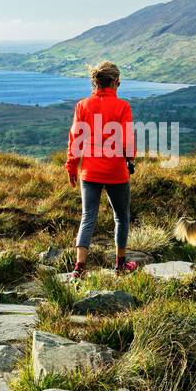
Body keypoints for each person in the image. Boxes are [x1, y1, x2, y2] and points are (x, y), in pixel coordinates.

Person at [66, 61, 137, 278]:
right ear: (116, 82)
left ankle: (79, 268)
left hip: (90, 171)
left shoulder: (82, 106)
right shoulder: (123, 106)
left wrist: (71, 166)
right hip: (116, 171)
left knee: (88, 217)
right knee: (121, 217)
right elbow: (127, 140)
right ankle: (120, 265)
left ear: (95, 82)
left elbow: (75, 139)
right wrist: (130, 160)